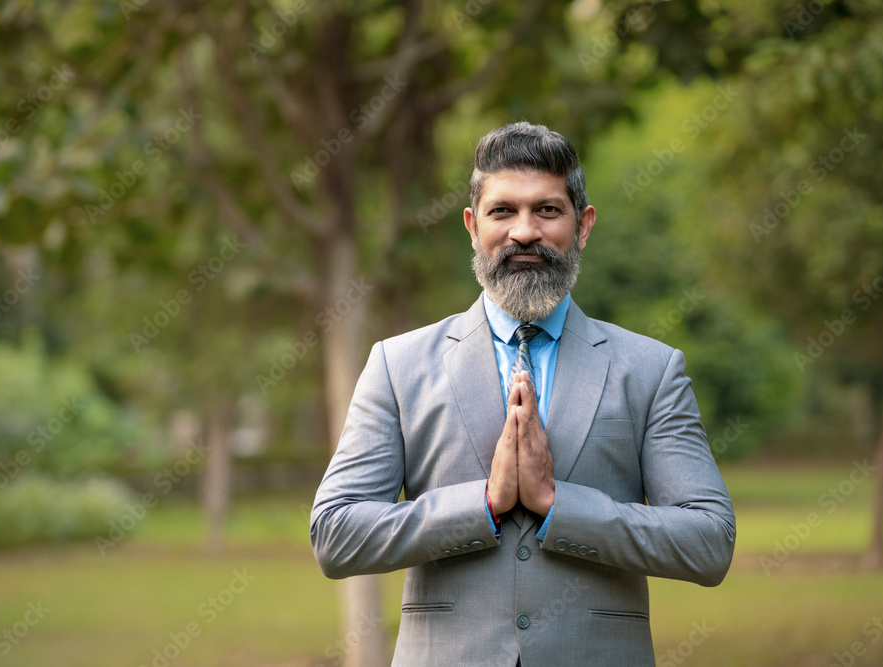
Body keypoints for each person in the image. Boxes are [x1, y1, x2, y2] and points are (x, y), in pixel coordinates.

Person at [310, 121, 736, 666]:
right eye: (503, 211)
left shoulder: (651, 369)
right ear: (472, 226)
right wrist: (483, 504)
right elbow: (335, 533)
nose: (525, 232)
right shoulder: (399, 365)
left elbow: (709, 542)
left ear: (583, 226)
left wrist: (559, 504)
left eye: (548, 211)